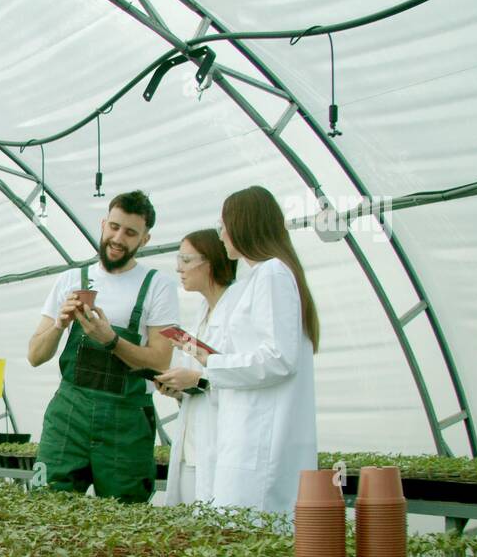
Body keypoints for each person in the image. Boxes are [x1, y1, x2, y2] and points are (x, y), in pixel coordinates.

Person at [155, 185, 319, 516]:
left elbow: (278, 358)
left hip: (258, 441)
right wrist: (208, 364)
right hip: (245, 434)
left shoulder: (271, 273)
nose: (221, 234)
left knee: (249, 531)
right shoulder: (263, 276)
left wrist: (209, 368)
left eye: (223, 225)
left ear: (243, 225)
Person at [28, 190, 179, 502]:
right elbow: (35, 355)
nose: (118, 238)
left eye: (130, 232)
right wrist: (60, 324)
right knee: (46, 510)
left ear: (145, 239)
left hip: (126, 421)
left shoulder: (157, 286)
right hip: (70, 414)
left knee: (126, 520)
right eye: (114, 227)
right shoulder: (71, 279)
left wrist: (110, 340)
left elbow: (161, 362)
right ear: (103, 224)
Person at [157, 229, 238, 505]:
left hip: (219, 444)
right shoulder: (201, 312)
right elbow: (200, 379)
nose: (179, 268)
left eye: (186, 260)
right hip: (192, 446)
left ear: (210, 261)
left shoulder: (237, 312)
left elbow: (240, 377)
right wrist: (177, 389)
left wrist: (198, 381)